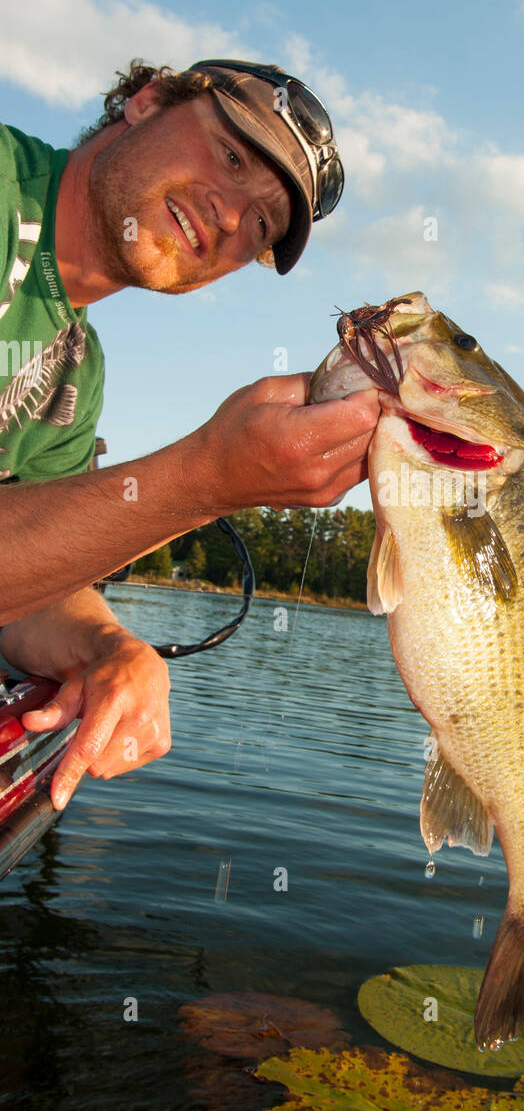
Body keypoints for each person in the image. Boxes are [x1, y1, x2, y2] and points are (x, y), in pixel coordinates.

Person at [0, 58, 381, 812]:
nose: (233, 214)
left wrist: (106, 643)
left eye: (263, 224)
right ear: (144, 102)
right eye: (231, 154)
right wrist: (205, 480)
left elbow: (22, 587)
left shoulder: (79, 367)